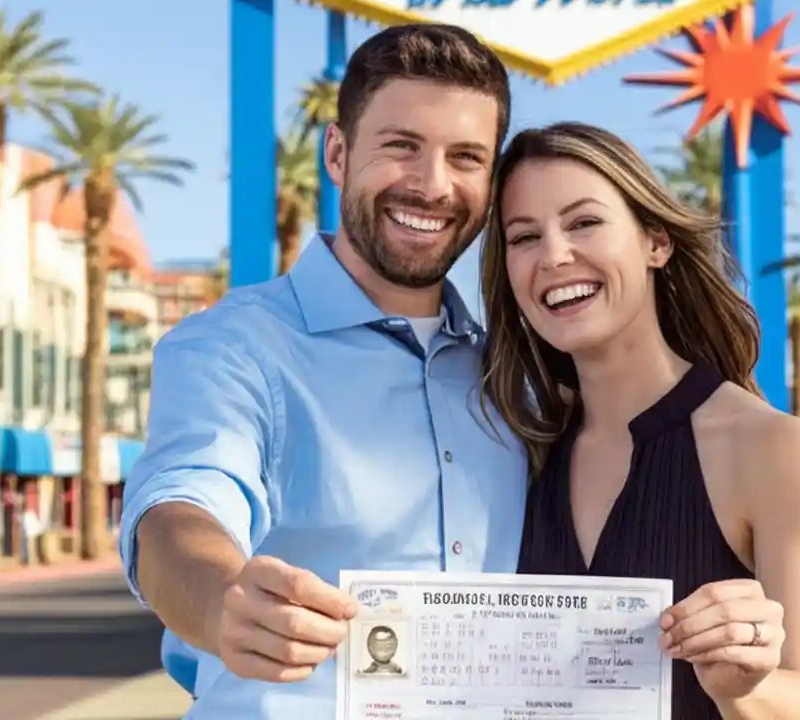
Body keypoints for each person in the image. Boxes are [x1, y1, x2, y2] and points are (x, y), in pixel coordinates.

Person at [119, 23, 524, 718]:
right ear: (337, 153)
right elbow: (177, 512)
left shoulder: (516, 376)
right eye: (401, 147)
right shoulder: (232, 347)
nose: (433, 185)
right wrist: (221, 601)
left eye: (466, 158)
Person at [479, 122, 800, 719]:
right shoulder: (516, 449)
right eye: (523, 237)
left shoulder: (777, 449)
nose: (553, 255)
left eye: (584, 222)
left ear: (656, 242)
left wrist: (741, 688)